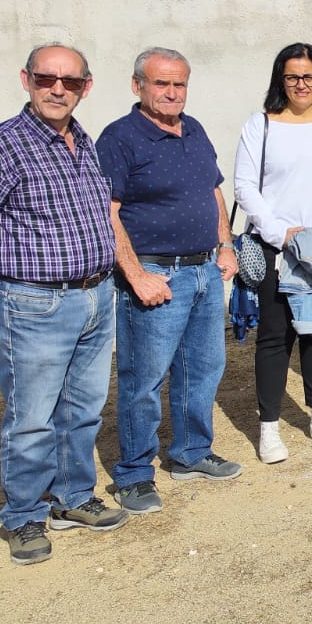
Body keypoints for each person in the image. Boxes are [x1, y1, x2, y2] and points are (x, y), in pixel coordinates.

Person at [0, 43, 127, 564]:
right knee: (31, 419)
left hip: (95, 296)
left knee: (83, 410)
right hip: (33, 304)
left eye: (70, 81)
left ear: (86, 87)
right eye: (47, 78)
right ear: (26, 79)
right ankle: (24, 515)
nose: (58, 89)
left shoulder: (83, 142)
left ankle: (73, 497)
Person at [98, 47, 242, 516]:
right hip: (156, 273)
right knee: (144, 379)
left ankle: (191, 453)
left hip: (204, 271)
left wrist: (225, 245)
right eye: (161, 83)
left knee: (203, 369)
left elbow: (212, 191)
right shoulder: (120, 138)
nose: (172, 92)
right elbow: (107, 212)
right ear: (137, 85)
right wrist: (135, 274)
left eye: (179, 84)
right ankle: (134, 474)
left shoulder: (194, 129)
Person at [235, 43, 312, 463]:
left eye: (309, 77)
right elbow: (244, 186)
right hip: (278, 247)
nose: (301, 85)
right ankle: (269, 427)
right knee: (275, 337)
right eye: (292, 77)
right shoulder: (260, 126)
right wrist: (278, 232)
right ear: (280, 80)